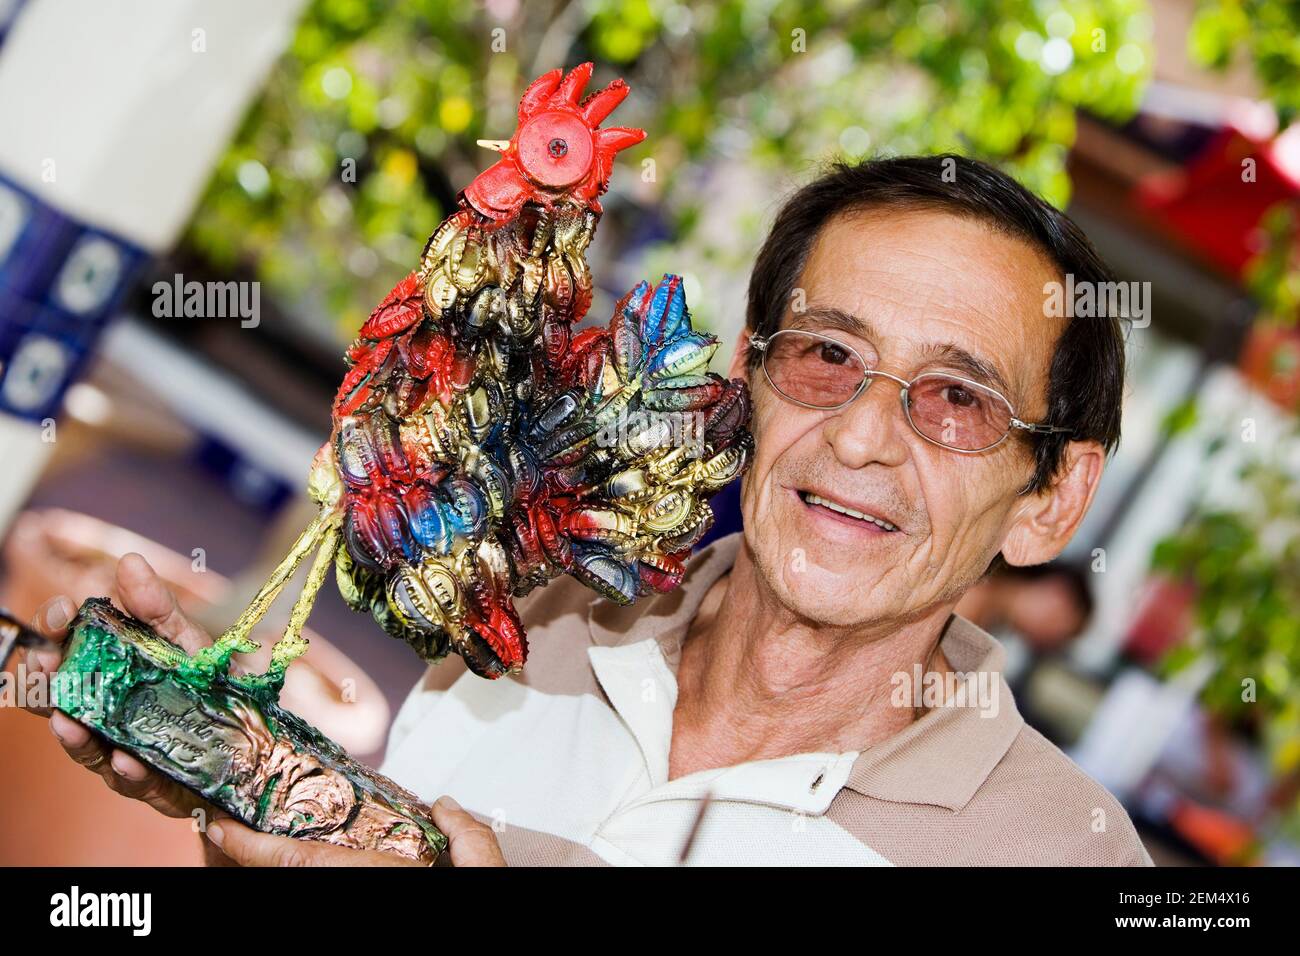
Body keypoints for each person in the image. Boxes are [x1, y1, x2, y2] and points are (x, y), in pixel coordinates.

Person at [23, 154, 1152, 865]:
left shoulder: (1060, 849)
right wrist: (251, 772)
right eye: (825, 354)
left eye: (957, 399)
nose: (859, 434)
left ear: (1051, 497)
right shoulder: (540, 627)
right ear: (748, 382)